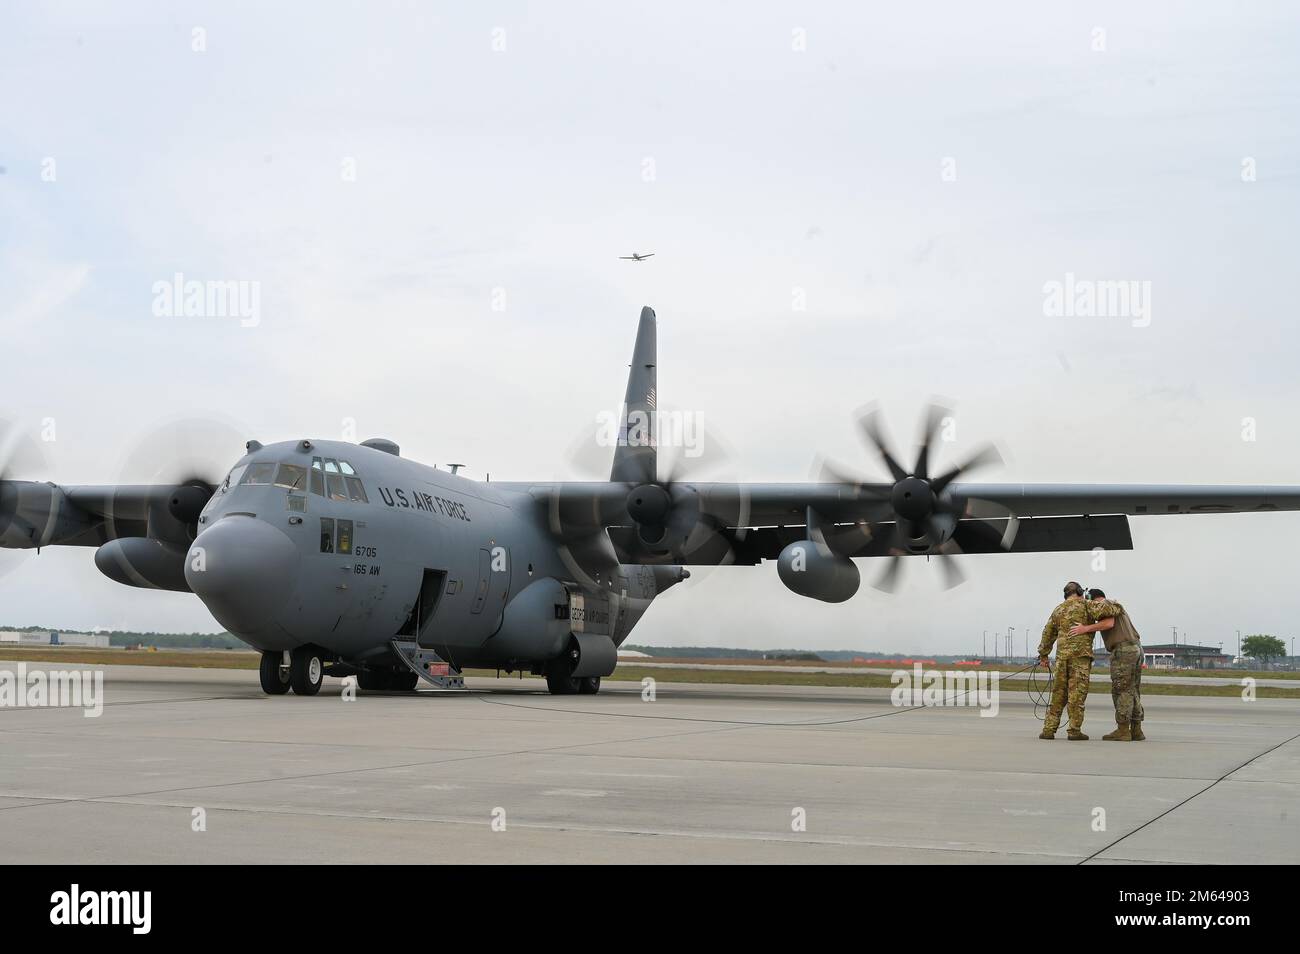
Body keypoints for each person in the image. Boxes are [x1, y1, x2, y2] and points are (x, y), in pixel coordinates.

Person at [1069, 588, 1145, 741]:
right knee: (1132, 690)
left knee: (1121, 690)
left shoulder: (1105, 606)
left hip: (1124, 651)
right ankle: (1136, 730)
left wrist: (1085, 629)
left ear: (1092, 599)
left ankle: (1123, 730)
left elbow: (1108, 623)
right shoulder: (1113, 604)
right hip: (1135, 648)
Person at [1036, 581, 1095, 740]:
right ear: (1080, 591)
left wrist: (1043, 655)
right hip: (1080, 658)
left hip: (1062, 659)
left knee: (1058, 694)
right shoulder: (1086, 605)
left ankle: (1049, 730)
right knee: (1076, 694)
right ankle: (1074, 730)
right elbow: (1108, 610)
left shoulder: (1058, 610)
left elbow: (1048, 633)